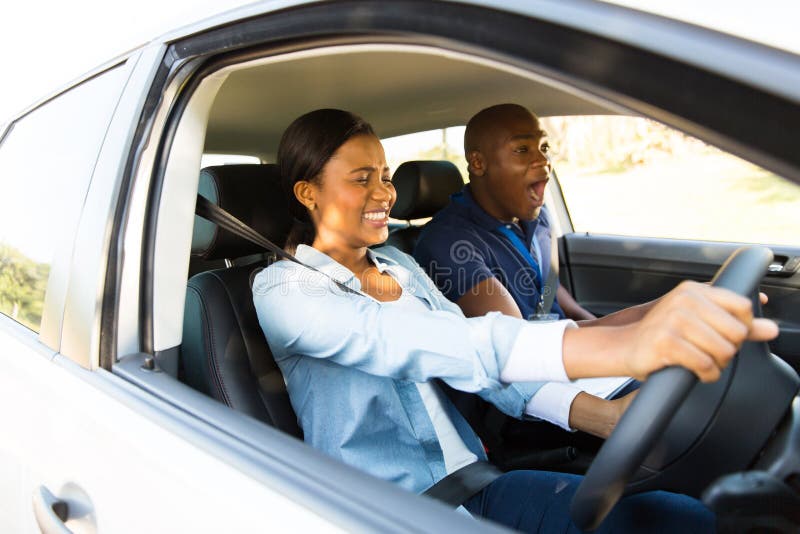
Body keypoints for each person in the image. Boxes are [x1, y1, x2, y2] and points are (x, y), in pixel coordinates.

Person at [252, 108, 777, 533]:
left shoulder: (401, 267)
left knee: (682, 520)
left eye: (386, 177)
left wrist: (604, 416)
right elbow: (418, 342)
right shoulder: (285, 288)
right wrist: (624, 346)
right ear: (308, 192)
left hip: (480, 484)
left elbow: (488, 367)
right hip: (390, 511)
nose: (386, 193)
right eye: (362, 178)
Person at [414, 103, 642, 439]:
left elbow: (548, 292)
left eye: (544, 147)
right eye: (522, 149)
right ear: (478, 163)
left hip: (569, 364)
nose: (542, 160)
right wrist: (631, 336)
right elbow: (519, 350)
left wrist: (601, 325)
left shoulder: (536, 218)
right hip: (527, 408)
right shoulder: (450, 244)